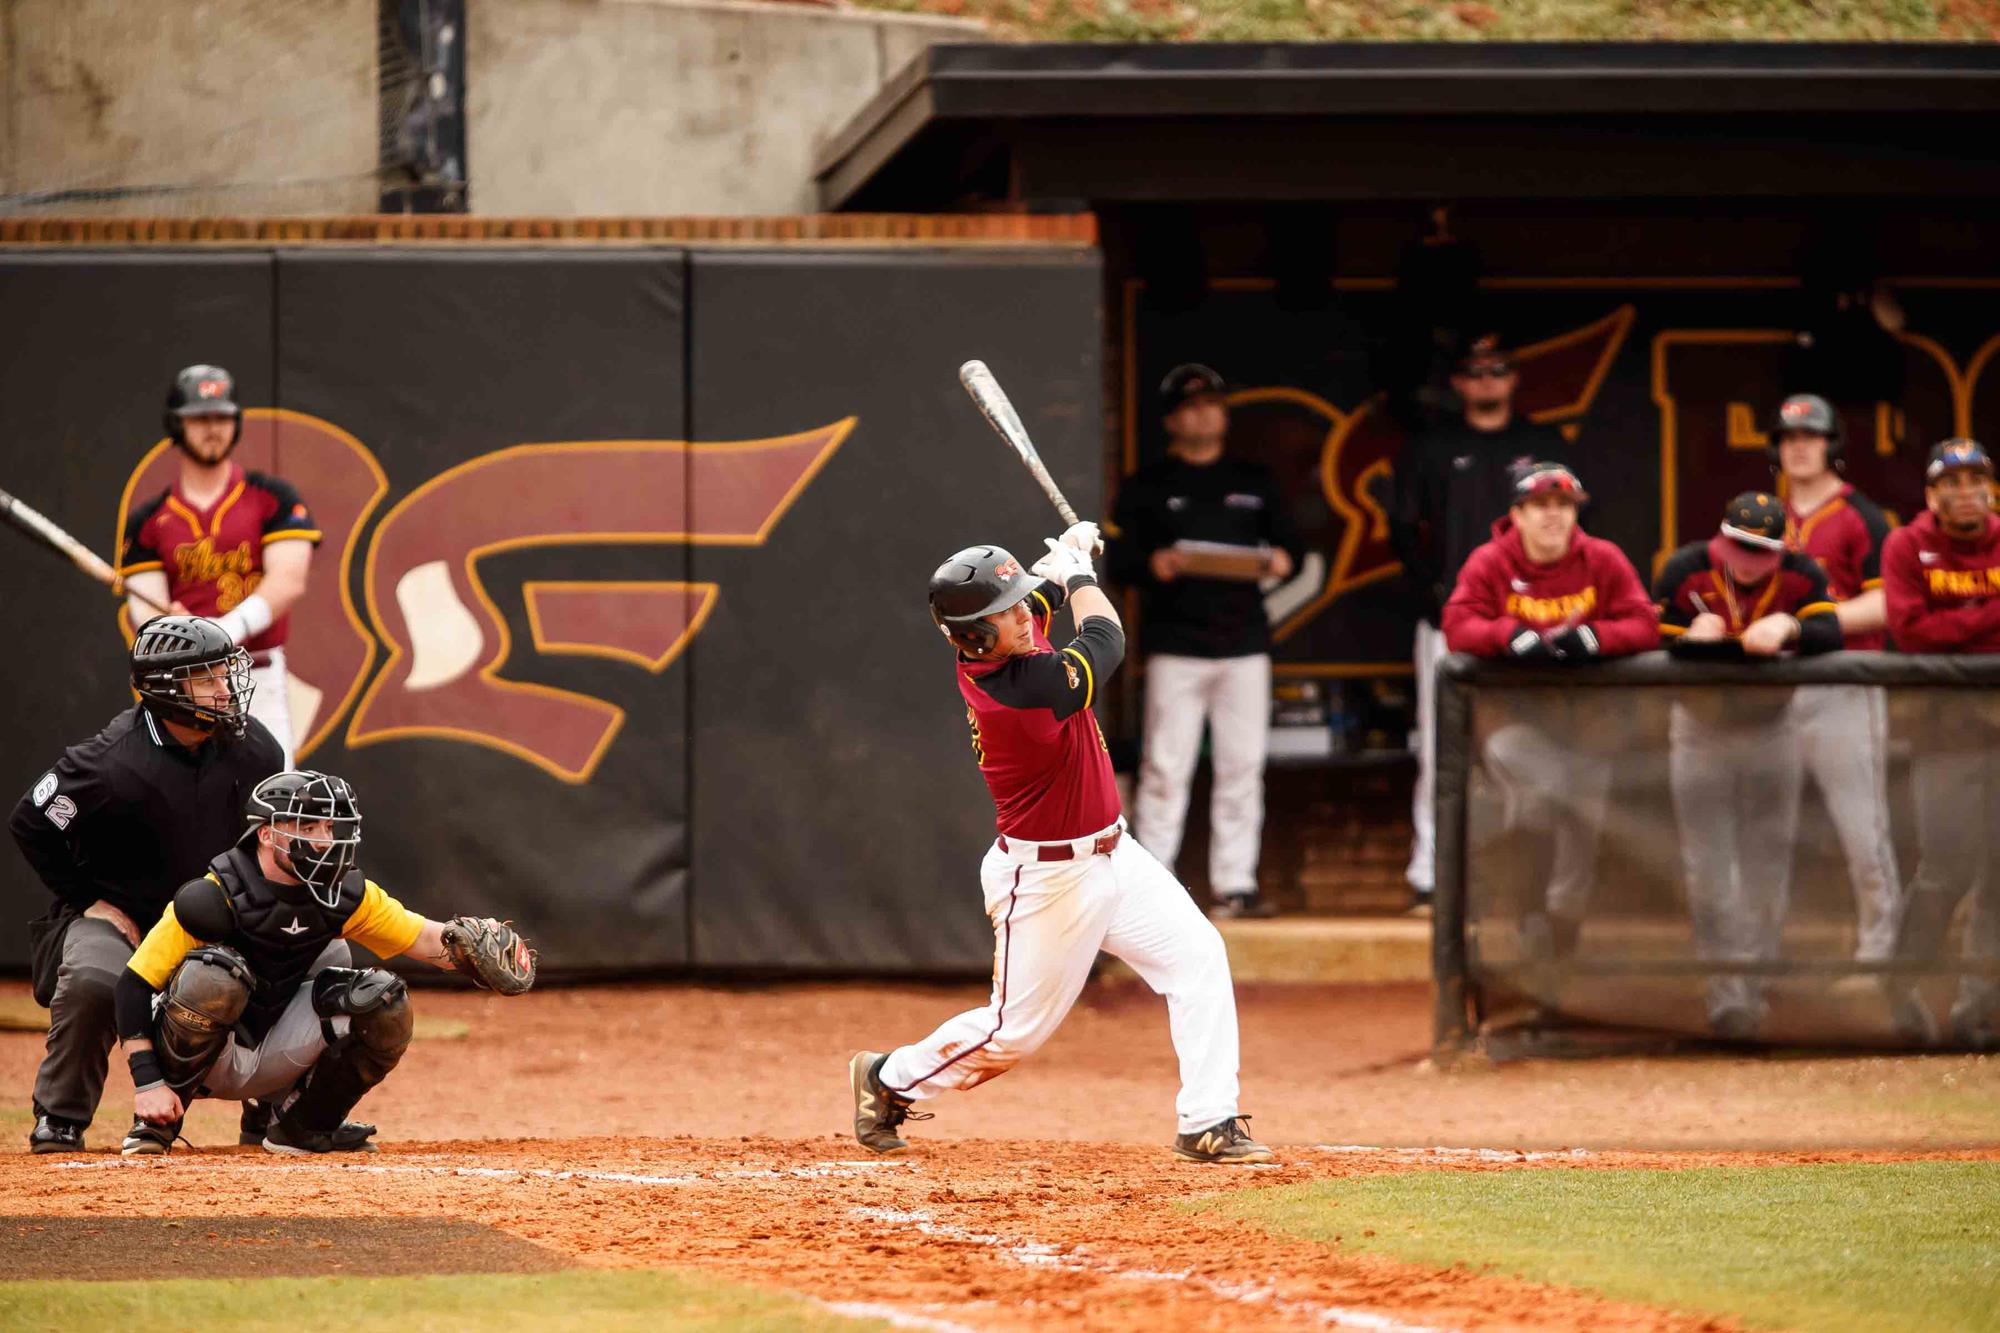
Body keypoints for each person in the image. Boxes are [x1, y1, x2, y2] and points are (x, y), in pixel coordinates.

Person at [850, 526, 1271, 1164]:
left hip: (1115, 854)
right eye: (1007, 612)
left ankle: (1208, 1121)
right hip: (1046, 880)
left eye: (1018, 604)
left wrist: (1060, 559)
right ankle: (888, 1078)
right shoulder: (1016, 692)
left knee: (1198, 958)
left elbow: (1040, 601)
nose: (1023, 615)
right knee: (1010, 1034)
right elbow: (1106, 639)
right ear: (975, 636)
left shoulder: (1010, 636)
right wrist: (1078, 577)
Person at [114, 769, 536, 1154]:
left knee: (384, 1000)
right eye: (308, 826)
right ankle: (155, 1126)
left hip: (277, 1047)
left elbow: (425, 939)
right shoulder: (213, 894)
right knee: (215, 975)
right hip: (201, 1056)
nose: (324, 839)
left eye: (330, 827)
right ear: (266, 834)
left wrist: (469, 948)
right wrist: (148, 1081)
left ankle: (302, 1125)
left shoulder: (345, 894)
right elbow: (132, 986)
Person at [10, 616, 282, 1154]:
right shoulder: (108, 764)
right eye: (207, 678)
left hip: (218, 912)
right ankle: (61, 1119)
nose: (225, 687)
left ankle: (274, 1107)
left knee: (283, 952)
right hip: (127, 918)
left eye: (225, 672)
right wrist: (89, 900)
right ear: (165, 691)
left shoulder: (256, 751)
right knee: (93, 979)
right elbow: (31, 822)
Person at [1441, 463, 1659, 995]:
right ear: (1516, 515)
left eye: (1564, 506)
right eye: (1541, 506)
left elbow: (1645, 623)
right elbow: (1456, 624)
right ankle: (1523, 924)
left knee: (1580, 835)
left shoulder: (1601, 558)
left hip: (1588, 729)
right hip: (1517, 725)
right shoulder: (1491, 561)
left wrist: (1595, 638)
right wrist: (1507, 635)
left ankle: (1556, 943)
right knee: (1543, 799)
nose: (1553, 516)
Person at [1107, 364, 1304, 918]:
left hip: (1244, 643)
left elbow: (1295, 549)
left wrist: (1279, 562)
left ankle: (1235, 884)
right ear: (1171, 419)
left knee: (1243, 767)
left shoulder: (1254, 480)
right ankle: (1154, 884)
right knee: (1166, 767)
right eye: (1190, 406)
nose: (1203, 414)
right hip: (1176, 644)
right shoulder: (1150, 485)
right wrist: (1156, 563)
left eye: (1212, 403)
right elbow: (1119, 560)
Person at [1390, 334, 1571, 909]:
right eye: (1477, 371)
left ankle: (1521, 882)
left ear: (1514, 378)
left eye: (1499, 369)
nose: (1488, 380)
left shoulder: (1542, 442)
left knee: (1533, 750)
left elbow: (1572, 527)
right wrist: (1437, 591)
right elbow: (1402, 528)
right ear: (1460, 383)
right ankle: (1432, 873)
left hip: (1533, 620)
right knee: (1443, 744)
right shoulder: (1433, 446)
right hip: (1452, 621)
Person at [1654, 492, 1842, 1038]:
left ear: (1781, 550)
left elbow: (1831, 631)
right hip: (1700, 731)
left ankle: (1756, 988)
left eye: (1760, 549)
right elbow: (1646, 630)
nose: (1747, 558)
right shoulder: (1687, 568)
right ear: (1720, 538)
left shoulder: (1802, 574)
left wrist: (1789, 627)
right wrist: (1688, 638)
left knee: (1767, 864)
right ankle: (1725, 994)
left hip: (1771, 730)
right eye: (1737, 544)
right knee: (1708, 870)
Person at [119, 364, 320, 764]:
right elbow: (145, 609)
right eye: (200, 418)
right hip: (181, 688)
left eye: (222, 417)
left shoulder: (272, 497)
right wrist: (175, 632)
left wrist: (225, 630)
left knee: (270, 802)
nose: (213, 428)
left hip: (256, 677)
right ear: (177, 425)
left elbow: (289, 580)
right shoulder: (148, 520)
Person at [1770, 393, 1902, 968]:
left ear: (1831, 446)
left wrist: (1803, 623)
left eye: (1810, 437)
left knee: (1862, 831)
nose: (1799, 448)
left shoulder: (1860, 517)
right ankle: (1760, 959)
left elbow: (1887, 607)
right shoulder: (1762, 518)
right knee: (1768, 831)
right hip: (1771, 692)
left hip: (1844, 682)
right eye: (1789, 438)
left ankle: (1881, 953)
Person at [1881, 437, 2000, 1048]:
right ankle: (1900, 990)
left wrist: (1959, 626)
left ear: (1990, 488)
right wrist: (1991, 613)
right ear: (1931, 494)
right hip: (1943, 732)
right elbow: (1912, 632)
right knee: (1944, 871)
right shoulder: (1906, 544)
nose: (1963, 492)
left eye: (1975, 479)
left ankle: (1980, 1009)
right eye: (1949, 483)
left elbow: (1939, 629)